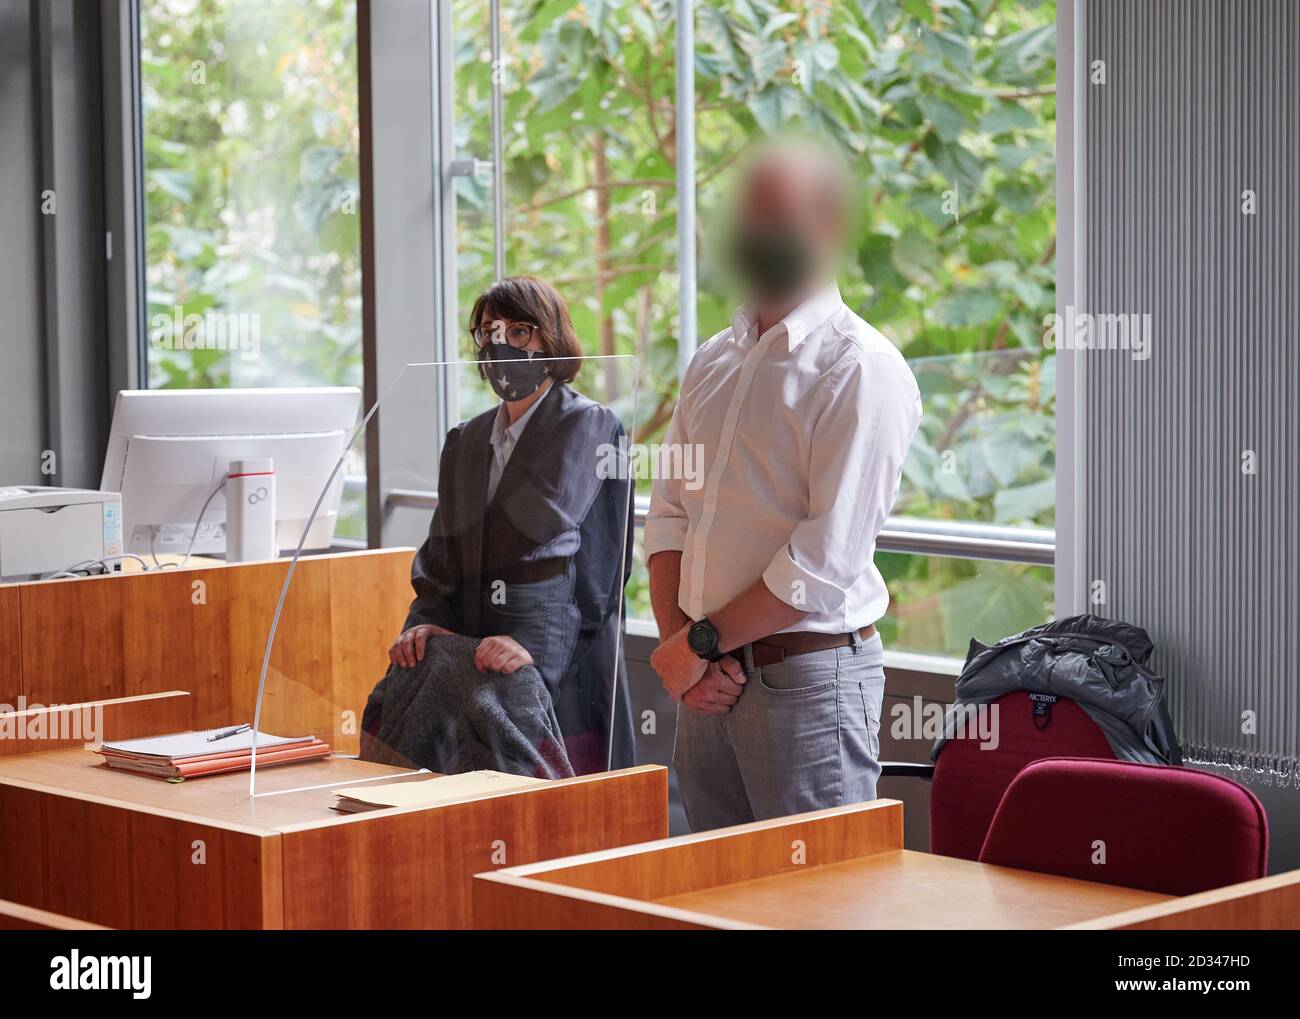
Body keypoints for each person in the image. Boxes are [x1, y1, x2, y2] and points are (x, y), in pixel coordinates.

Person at [645, 139, 922, 830]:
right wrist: (685, 647)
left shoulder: (861, 369)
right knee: (718, 898)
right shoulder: (714, 359)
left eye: (777, 214)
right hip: (704, 687)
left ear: (826, 226)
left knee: (817, 905)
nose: (756, 233)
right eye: (749, 215)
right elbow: (670, 516)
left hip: (806, 684)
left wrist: (698, 645)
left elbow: (820, 565)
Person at [384, 276, 635, 774]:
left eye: (518, 331)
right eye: (487, 331)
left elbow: (598, 569)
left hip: (562, 657)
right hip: (476, 657)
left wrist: (534, 645)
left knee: (562, 817)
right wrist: (428, 626)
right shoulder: (466, 439)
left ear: (551, 337)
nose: (500, 343)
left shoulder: (592, 424)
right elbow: (442, 553)